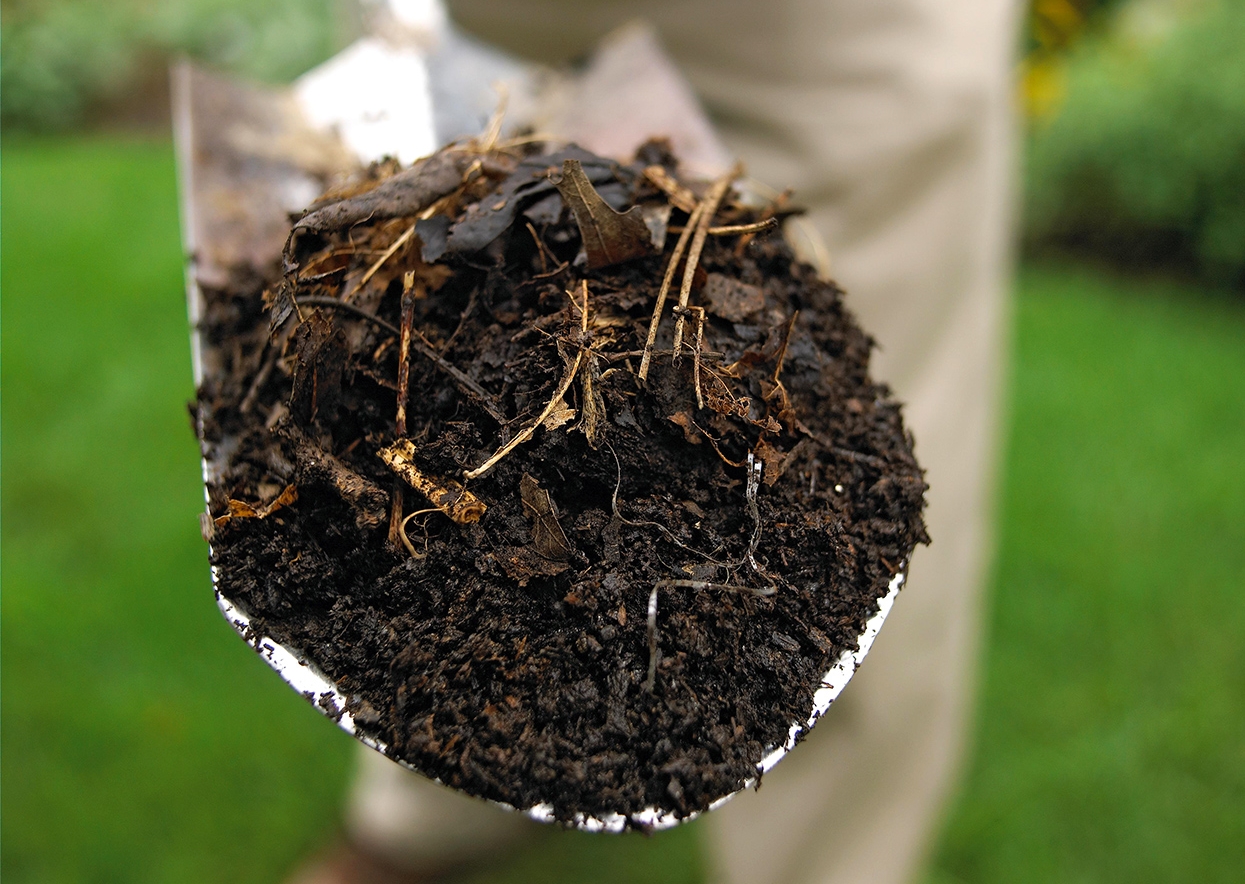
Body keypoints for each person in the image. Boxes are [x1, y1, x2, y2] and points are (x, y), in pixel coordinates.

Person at [295, 1, 1019, 881]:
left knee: (835, 475)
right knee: (449, 372)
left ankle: (826, 858)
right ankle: (440, 789)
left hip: (821, 48)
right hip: (478, 29)